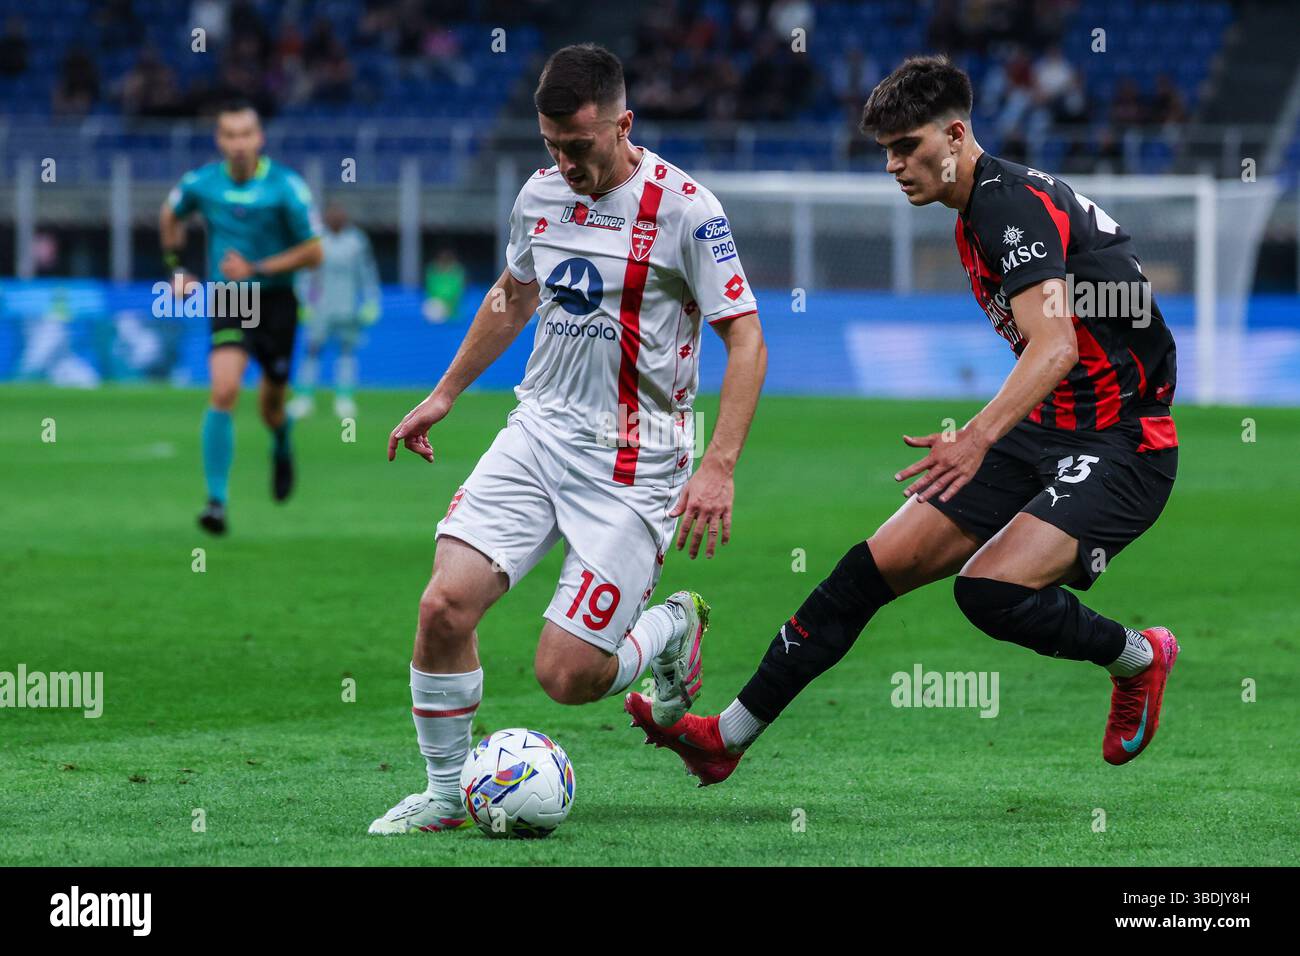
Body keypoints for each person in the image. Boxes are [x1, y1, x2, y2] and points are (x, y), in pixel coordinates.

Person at [628, 55, 1180, 784]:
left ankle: (1139, 656)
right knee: (865, 572)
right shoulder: (977, 208)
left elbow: (1055, 346)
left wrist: (976, 438)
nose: (894, 165)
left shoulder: (1004, 206)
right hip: (1049, 428)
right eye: (885, 151)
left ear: (956, 134)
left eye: (908, 147)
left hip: (1125, 442)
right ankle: (725, 738)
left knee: (989, 590)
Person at [368, 43, 768, 834]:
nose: (565, 163)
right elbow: (513, 296)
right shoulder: (540, 194)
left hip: (637, 463)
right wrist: (444, 394)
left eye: (579, 147)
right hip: (540, 434)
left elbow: (747, 339)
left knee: (568, 675)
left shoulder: (688, 210)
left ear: (624, 124)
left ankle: (668, 628)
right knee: (444, 607)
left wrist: (718, 465)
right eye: (551, 146)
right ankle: (447, 794)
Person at [161, 100, 323, 535]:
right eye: (229, 135)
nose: (237, 144)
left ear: (259, 138)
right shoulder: (201, 183)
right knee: (225, 389)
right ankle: (216, 502)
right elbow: (169, 215)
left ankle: (282, 439)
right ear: (219, 140)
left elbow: (315, 251)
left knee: (270, 407)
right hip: (231, 299)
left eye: (245, 134)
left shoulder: (287, 188)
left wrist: (257, 267)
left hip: (276, 304)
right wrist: (177, 269)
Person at [289, 202, 381, 421]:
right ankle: (304, 399)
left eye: (339, 213)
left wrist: (371, 300)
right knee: (312, 350)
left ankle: (344, 399)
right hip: (321, 307)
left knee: (347, 351)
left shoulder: (357, 241)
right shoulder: (316, 240)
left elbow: (366, 272)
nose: (335, 217)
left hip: (348, 306)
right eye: (331, 213)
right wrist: (303, 302)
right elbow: (305, 275)